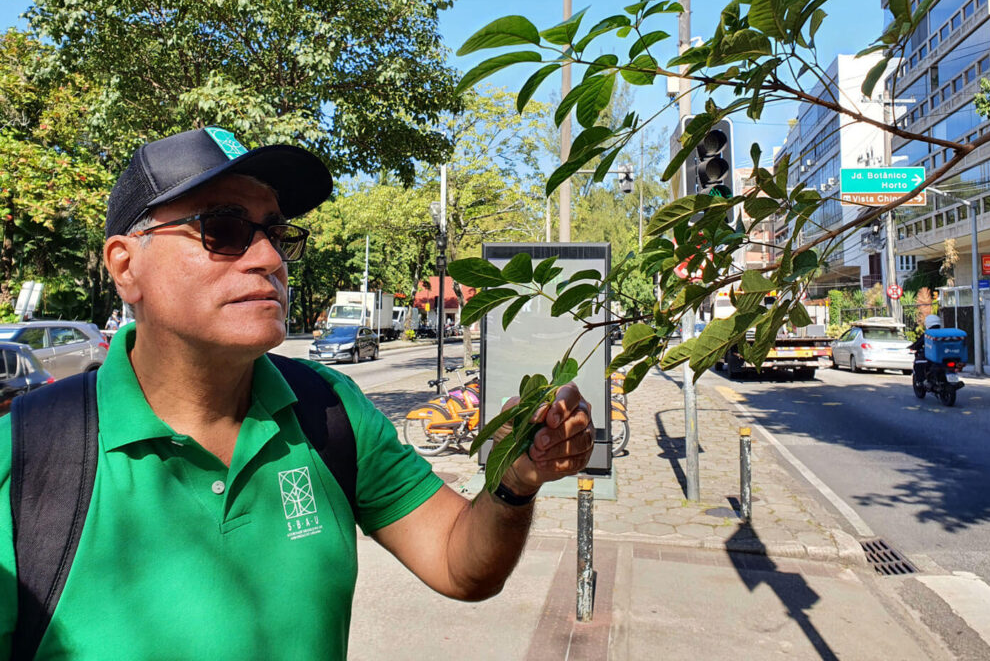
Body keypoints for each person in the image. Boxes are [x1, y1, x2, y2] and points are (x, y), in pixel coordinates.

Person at [0, 127, 594, 658]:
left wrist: (512, 484)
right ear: (126, 267)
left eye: (276, 232)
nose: (268, 258)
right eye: (224, 230)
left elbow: (459, 565)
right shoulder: (24, 456)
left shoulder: (329, 410)